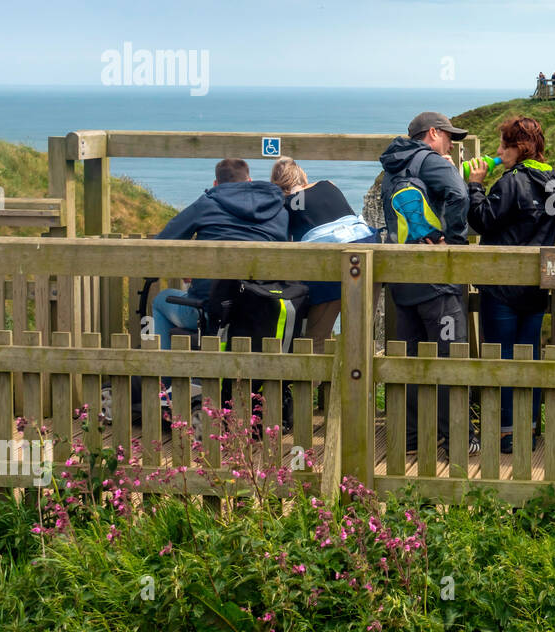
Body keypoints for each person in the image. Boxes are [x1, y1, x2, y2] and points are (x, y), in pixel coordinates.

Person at [466, 116, 555, 453]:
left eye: (503, 146)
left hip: (502, 285)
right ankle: (529, 432)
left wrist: (476, 185)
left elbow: (481, 220)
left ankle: (505, 435)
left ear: (517, 148)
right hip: (536, 284)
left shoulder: (512, 182)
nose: (498, 152)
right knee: (529, 357)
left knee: (502, 357)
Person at [379, 112, 473, 454]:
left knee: (411, 360)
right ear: (432, 133)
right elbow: (459, 195)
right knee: (450, 357)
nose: (451, 143)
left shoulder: (393, 166)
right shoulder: (430, 161)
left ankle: (413, 437)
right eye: (448, 136)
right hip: (436, 279)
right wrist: (454, 240)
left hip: (403, 278)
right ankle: (457, 438)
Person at [152, 158, 289, 341]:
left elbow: (161, 243)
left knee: (161, 300)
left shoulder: (207, 204)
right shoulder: (278, 209)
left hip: (212, 309)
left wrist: (187, 265)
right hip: (263, 307)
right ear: (249, 181)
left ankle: (169, 368)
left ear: (216, 184)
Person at [271, 157, 376, 350]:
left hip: (334, 262)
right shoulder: (328, 185)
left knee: (316, 338)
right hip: (370, 251)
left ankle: (317, 379)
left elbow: (286, 244)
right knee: (360, 334)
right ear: (302, 175)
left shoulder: (286, 204)